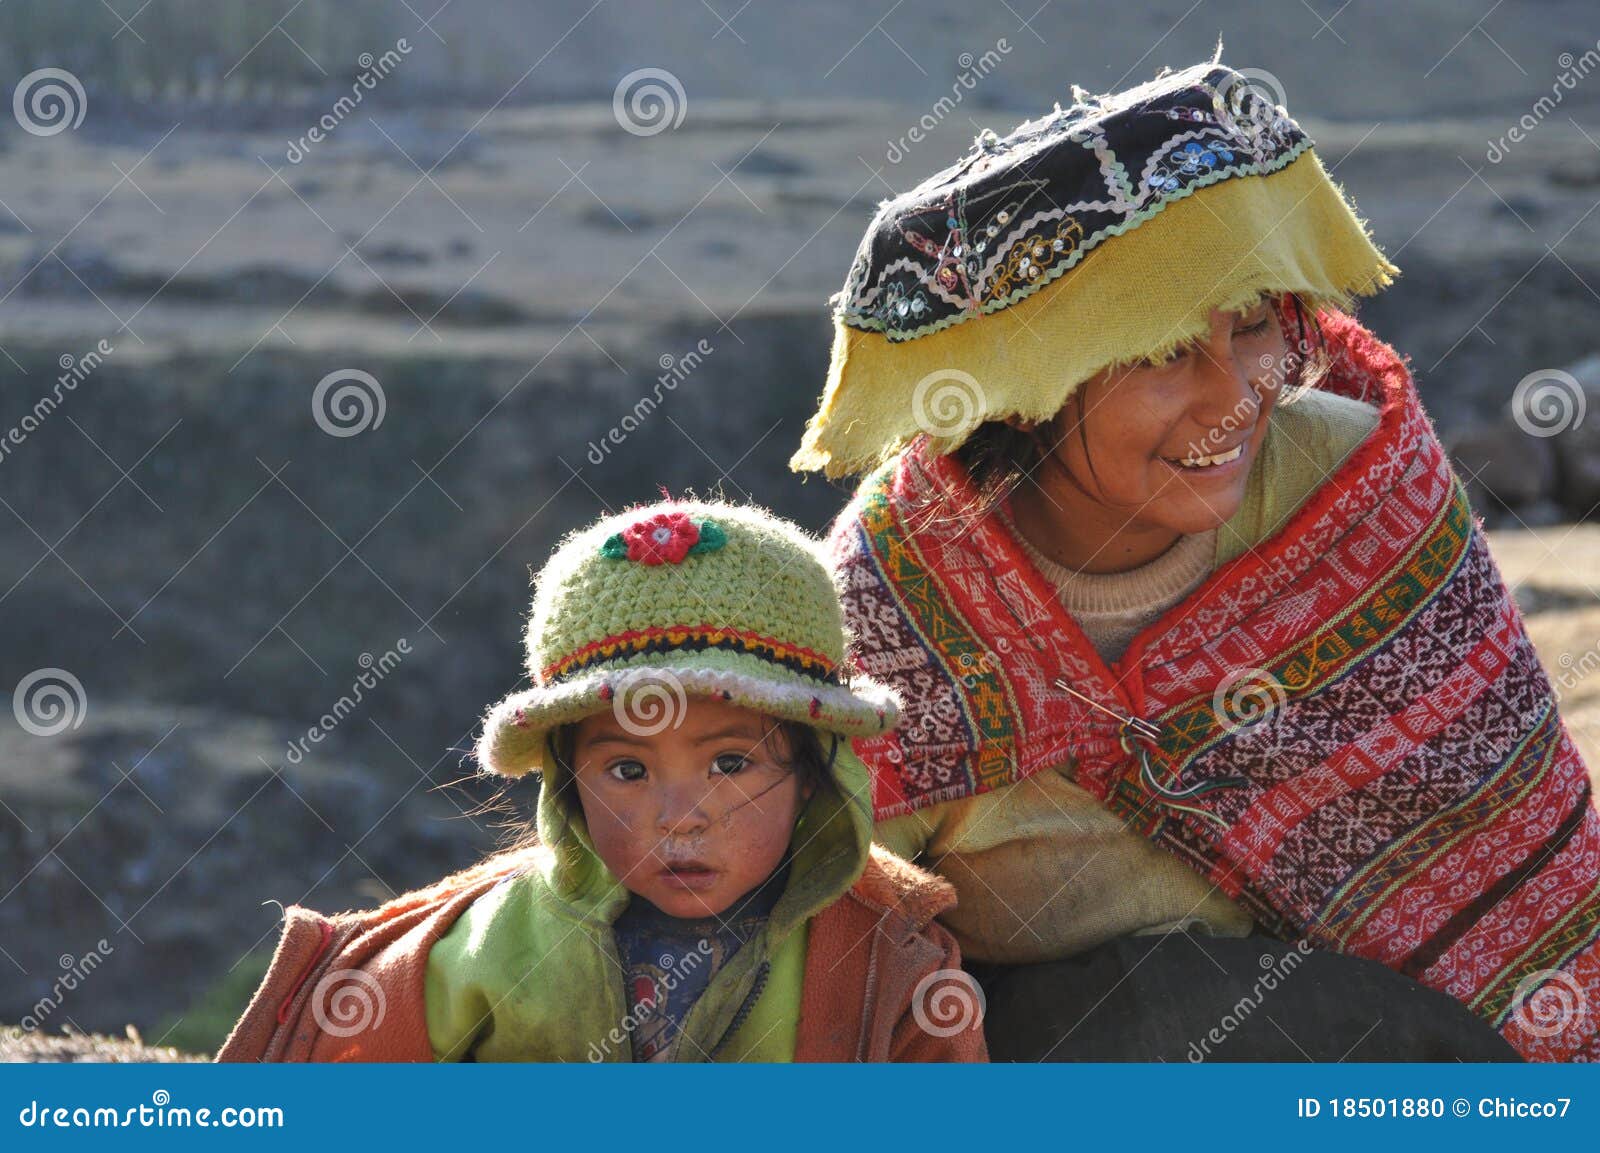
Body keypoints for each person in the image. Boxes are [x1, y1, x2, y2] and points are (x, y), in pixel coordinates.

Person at [790, 52, 1598, 1062]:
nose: (1237, 393)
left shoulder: (1361, 494)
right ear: (1022, 387)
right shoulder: (885, 606)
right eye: (1165, 351)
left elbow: (1520, 877)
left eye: (1253, 323)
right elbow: (821, 956)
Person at [218, 499, 986, 1062]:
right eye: (627, 769)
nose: (679, 817)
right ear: (564, 781)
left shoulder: (888, 961)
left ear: (817, 773)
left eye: (730, 763)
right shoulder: (489, 944)